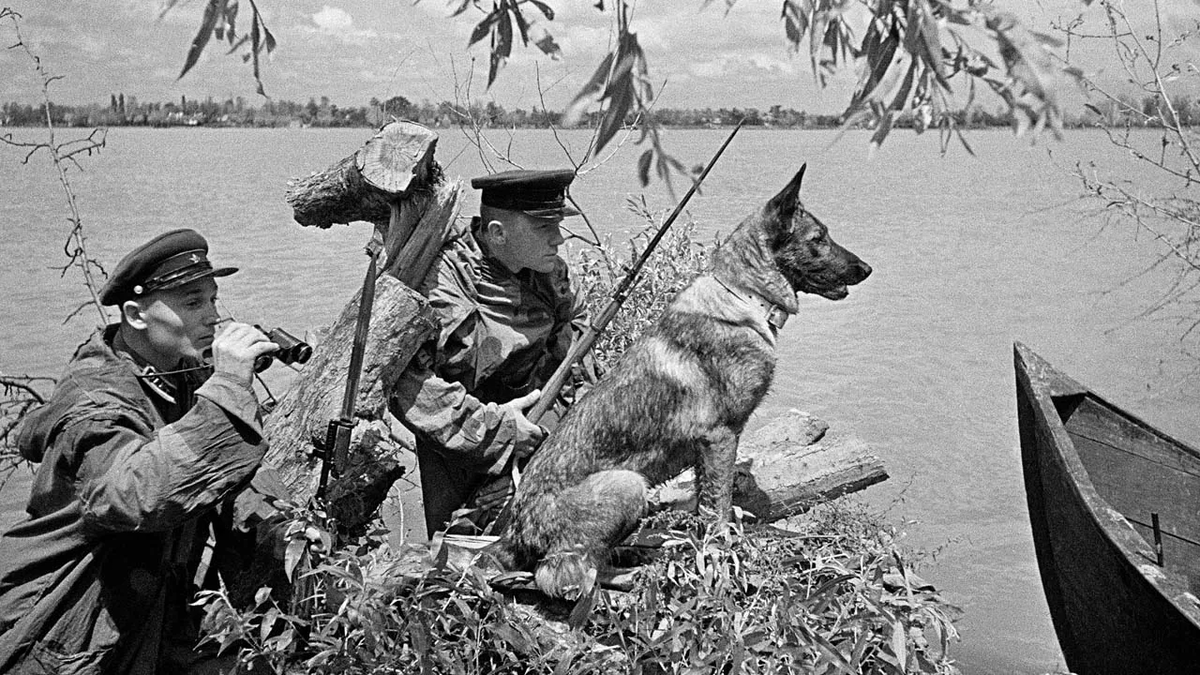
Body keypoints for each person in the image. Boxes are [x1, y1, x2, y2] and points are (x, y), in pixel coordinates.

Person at [0, 229, 288, 674]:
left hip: (143, 617)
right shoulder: (95, 404)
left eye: (213, 300)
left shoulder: (174, 372)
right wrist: (229, 388)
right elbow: (129, 496)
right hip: (63, 631)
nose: (213, 317)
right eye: (192, 304)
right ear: (135, 315)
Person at [390, 168, 596, 538]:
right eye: (543, 228)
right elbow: (409, 389)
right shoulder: (440, 287)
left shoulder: (553, 276)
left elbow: (574, 366)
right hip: (463, 449)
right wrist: (497, 430)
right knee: (463, 559)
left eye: (557, 225)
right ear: (498, 234)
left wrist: (548, 441)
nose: (559, 239)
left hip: (541, 438)